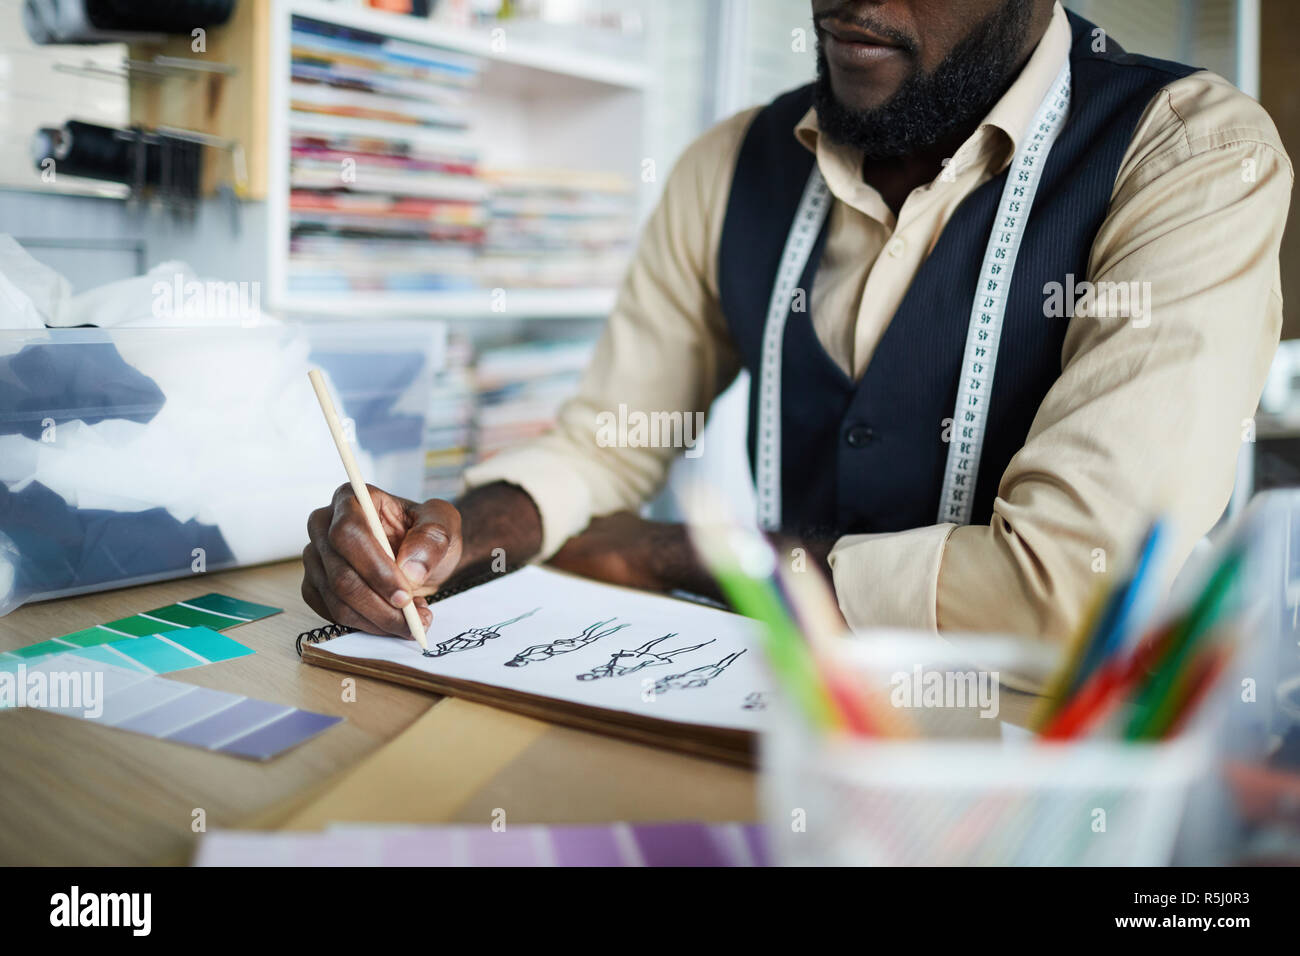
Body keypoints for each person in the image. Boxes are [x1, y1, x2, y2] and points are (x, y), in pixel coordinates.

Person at [302, 0, 1291, 649]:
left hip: (1048, 771)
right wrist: (460, 535)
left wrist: (678, 554)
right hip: (786, 731)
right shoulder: (731, 165)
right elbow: (605, 445)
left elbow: (1071, 584)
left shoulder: (1188, 157)